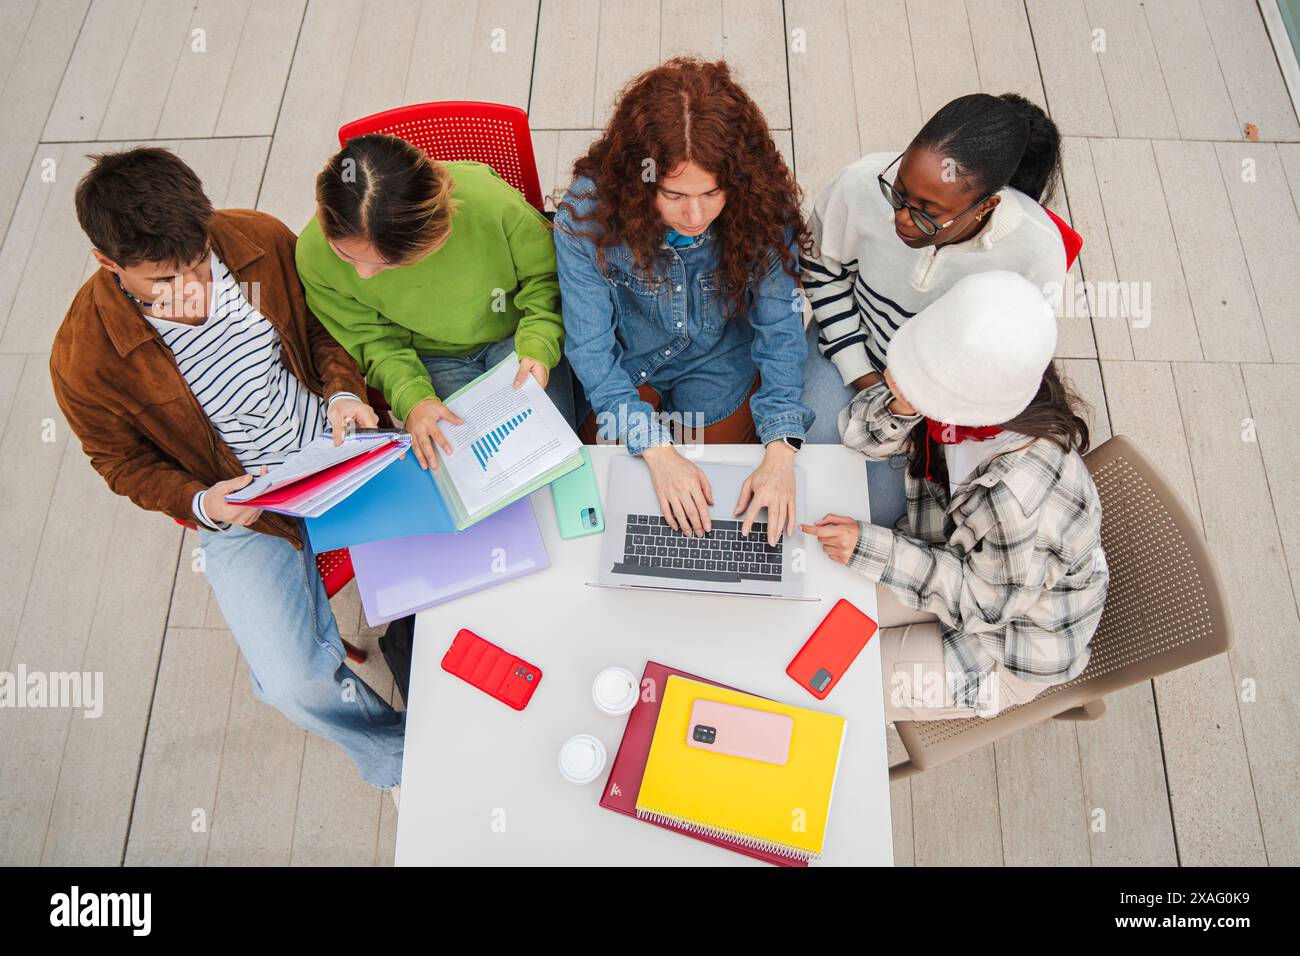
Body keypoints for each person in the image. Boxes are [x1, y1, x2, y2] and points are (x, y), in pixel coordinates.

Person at [49, 147, 405, 790]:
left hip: (339, 448)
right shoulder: (84, 359)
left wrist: (345, 391)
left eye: (196, 266)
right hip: (247, 513)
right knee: (292, 682)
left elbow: (326, 324)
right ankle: (403, 755)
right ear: (108, 264)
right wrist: (203, 505)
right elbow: (119, 462)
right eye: (164, 281)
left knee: (465, 560)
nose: (193, 294)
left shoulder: (258, 239)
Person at [803, 272, 1108, 721]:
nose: (891, 375)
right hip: (951, 563)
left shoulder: (1013, 494)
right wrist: (902, 404)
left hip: (1005, 645)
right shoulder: (977, 380)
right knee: (812, 610)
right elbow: (859, 437)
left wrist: (872, 548)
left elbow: (984, 605)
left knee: (820, 684)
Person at [554, 58, 813, 546]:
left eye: (713, 193)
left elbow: (780, 329)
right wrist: (654, 447)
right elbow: (589, 348)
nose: (695, 215)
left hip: (718, 366)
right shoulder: (586, 216)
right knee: (617, 503)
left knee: (718, 506)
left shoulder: (762, 206)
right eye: (673, 195)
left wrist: (782, 449)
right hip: (627, 370)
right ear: (640, 179)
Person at [801, 92, 1068, 530]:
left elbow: (1007, 353)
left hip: (941, 397)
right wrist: (861, 373)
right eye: (899, 194)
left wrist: (916, 404)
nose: (902, 220)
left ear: (986, 206)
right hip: (847, 345)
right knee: (806, 458)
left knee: (879, 515)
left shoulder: (1038, 254)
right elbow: (820, 270)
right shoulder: (859, 183)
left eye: (927, 214)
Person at [297, 134, 574, 471]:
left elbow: (548, 280)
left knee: (553, 455)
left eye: (388, 263)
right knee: (477, 467)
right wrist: (413, 399)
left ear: (434, 232)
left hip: (518, 333)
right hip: (432, 358)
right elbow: (372, 341)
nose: (364, 275)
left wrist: (539, 341)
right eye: (344, 254)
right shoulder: (313, 255)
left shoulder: (489, 203)